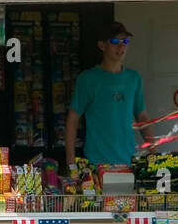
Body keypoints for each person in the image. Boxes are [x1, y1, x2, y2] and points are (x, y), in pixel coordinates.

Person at [63, 22, 154, 168]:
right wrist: (71, 163)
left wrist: (153, 152)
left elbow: (142, 116)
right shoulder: (88, 79)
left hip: (130, 160)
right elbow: (73, 120)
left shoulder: (134, 78)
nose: (121, 46)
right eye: (114, 41)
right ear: (102, 45)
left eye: (125, 41)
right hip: (97, 162)